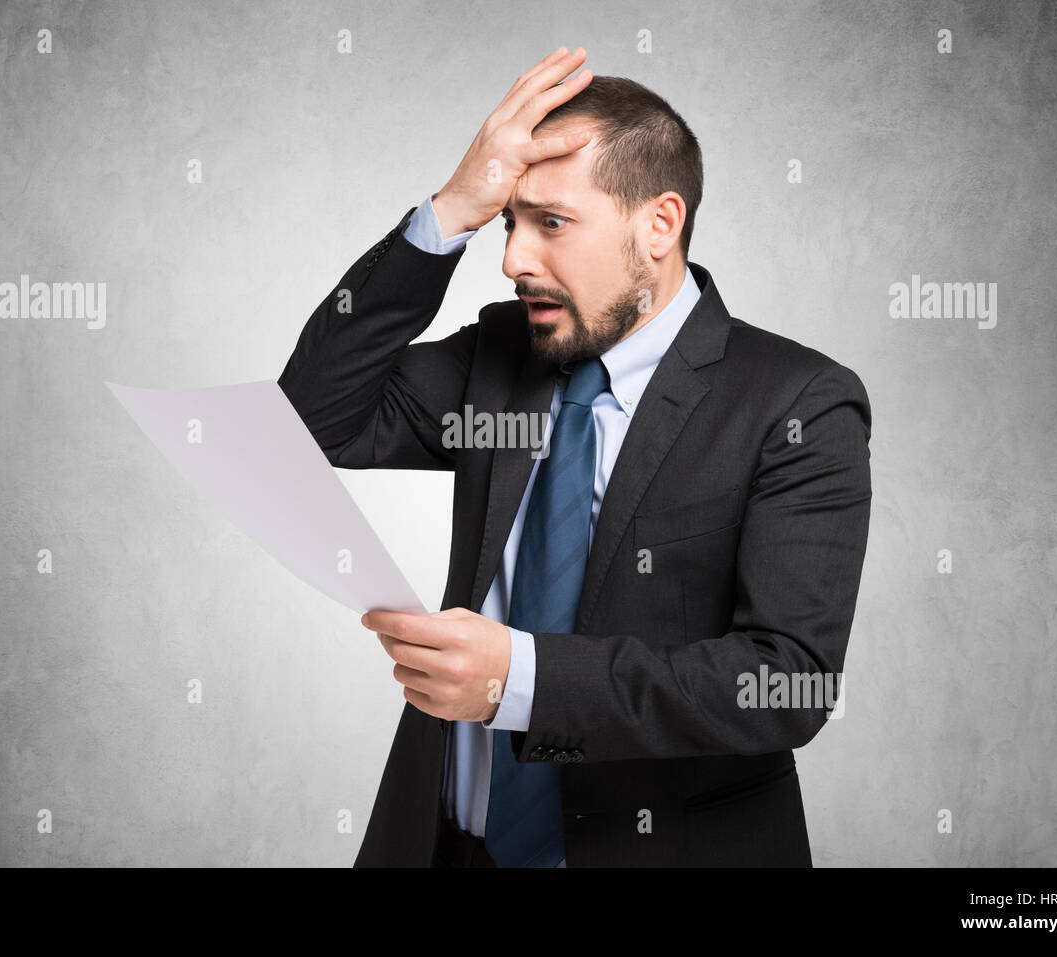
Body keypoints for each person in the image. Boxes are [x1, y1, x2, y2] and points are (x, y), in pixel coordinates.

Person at [278, 47, 872, 867]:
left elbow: (786, 682)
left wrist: (520, 677)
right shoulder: (498, 356)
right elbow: (311, 418)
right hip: (446, 847)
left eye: (551, 223)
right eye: (508, 222)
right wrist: (451, 210)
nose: (513, 260)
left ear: (658, 225)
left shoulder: (796, 402)